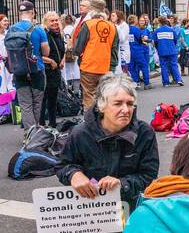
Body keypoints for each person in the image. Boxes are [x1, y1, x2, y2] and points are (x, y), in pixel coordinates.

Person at [55, 72, 160, 210]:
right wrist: (74, 175)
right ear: (101, 106)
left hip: (132, 206)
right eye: (117, 104)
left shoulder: (144, 133)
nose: (125, 110)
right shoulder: (80, 134)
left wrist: (122, 184)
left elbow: (149, 175)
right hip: (91, 208)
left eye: (130, 104)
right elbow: (63, 166)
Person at [7, 1, 50, 130]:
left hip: (19, 71)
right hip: (37, 69)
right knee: (37, 103)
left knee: (25, 105)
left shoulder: (11, 29)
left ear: (20, 13)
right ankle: (35, 134)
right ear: (33, 12)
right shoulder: (38, 29)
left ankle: (29, 133)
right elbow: (46, 51)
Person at [71, 0, 120, 110]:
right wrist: (112, 68)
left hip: (89, 67)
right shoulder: (112, 26)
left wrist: (74, 51)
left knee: (89, 97)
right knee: (105, 97)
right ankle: (103, 122)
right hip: (106, 67)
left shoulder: (88, 25)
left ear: (92, 10)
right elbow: (114, 50)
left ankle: (90, 122)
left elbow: (78, 48)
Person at [39, 11, 67, 126]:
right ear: (46, 22)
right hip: (45, 71)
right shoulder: (43, 34)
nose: (55, 23)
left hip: (55, 71)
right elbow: (37, 54)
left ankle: (53, 123)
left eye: (56, 20)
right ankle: (41, 125)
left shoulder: (59, 34)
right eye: (52, 21)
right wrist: (51, 61)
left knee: (53, 99)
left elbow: (63, 50)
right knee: (43, 99)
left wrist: (62, 60)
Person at [153, 15, 184, 87]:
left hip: (162, 51)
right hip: (172, 50)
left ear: (159, 22)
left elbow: (155, 42)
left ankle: (166, 82)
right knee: (174, 65)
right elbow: (175, 40)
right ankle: (178, 79)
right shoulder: (171, 29)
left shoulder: (157, 31)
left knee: (163, 66)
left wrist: (158, 48)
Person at [59, 13, 81, 92]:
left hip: (66, 53)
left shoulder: (63, 31)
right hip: (75, 53)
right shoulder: (75, 30)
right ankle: (76, 91)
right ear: (72, 21)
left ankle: (68, 91)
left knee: (67, 73)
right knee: (76, 73)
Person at [113, 10, 131, 76]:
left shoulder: (124, 25)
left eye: (113, 16)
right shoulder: (114, 25)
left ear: (118, 17)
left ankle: (128, 83)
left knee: (124, 70)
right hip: (117, 50)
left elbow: (122, 39)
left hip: (123, 50)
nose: (111, 17)